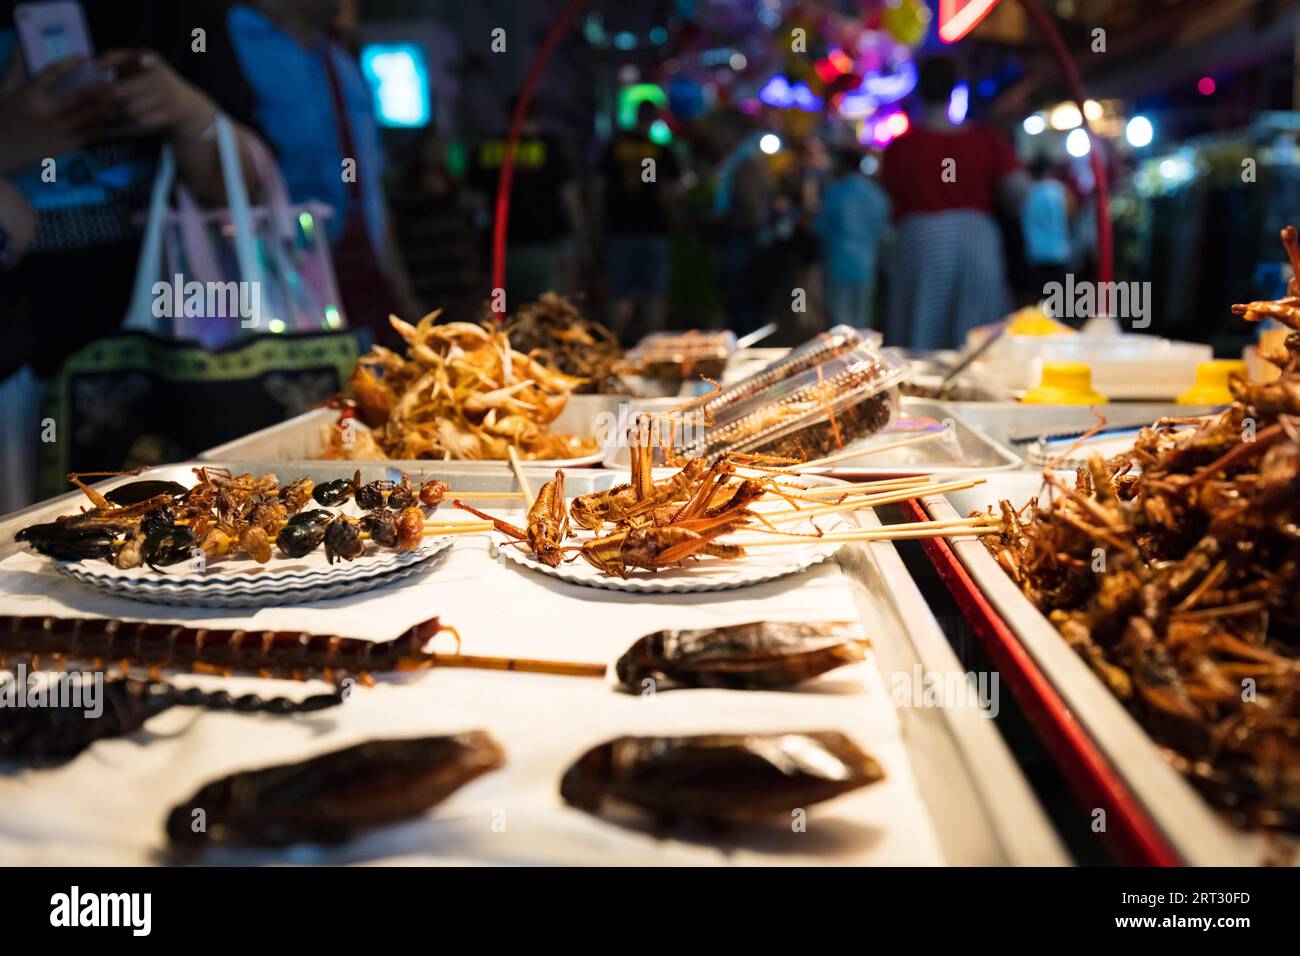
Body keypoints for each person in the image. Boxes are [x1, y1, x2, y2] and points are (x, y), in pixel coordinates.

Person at [0, 0, 265, 511]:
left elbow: (247, 191)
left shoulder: (184, 17)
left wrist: (189, 114)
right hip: (18, 369)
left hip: (173, 351)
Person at [227, 0, 421, 344]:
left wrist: (403, 296)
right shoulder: (228, 42)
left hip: (366, 284)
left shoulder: (340, 62)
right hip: (277, 294)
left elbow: (372, 192)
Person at [880, 56, 1028, 350]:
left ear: (919, 90)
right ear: (954, 90)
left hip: (921, 241)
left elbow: (886, 199)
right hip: (976, 239)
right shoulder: (987, 139)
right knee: (975, 337)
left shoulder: (902, 146)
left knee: (920, 334)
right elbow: (1019, 192)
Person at [466, 94, 583, 307]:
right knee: (546, 314)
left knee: (504, 313)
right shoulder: (550, 147)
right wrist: (579, 238)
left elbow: (473, 201)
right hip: (544, 246)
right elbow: (569, 197)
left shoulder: (487, 148)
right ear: (537, 117)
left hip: (500, 249)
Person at [596, 99, 681, 340]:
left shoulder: (614, 148)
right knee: (653, 297)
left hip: (619, 229)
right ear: (655, 118)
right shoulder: (661, 151)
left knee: (620, 295)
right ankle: (651, 352)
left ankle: (615, 350)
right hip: (653, 229)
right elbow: (669, 192)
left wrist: (594, 228)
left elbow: (597, 189)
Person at [815, 147, 890, 329]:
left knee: (838, 322)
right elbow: (883, 229)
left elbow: (821, 227)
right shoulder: (875, 194)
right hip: (866, 263)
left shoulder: (836, 191)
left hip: (838, 261)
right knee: (862, 319)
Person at [1019, 156, 1071, 301]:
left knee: (1041, 299)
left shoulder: (1028, 192)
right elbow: (1072, 214)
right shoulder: (1061, 190)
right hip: (1059, 251)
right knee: (1059, 298)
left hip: (1035, 252)